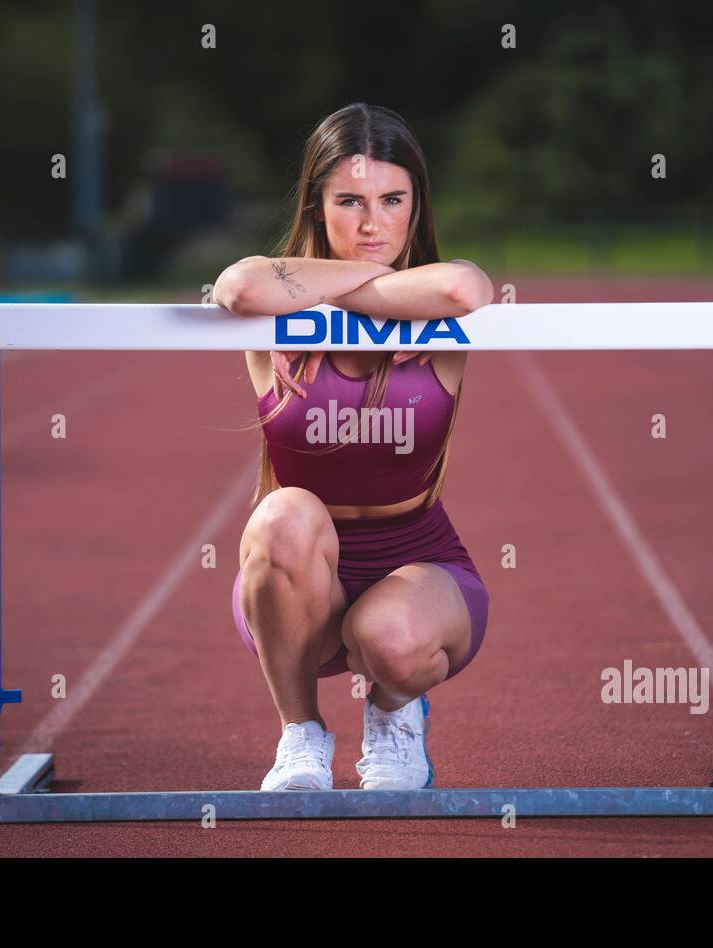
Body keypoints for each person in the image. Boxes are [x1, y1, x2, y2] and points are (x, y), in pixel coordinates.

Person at [212, 102, 493, 792]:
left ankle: (395, 711)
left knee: (390, 639)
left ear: (415, 206)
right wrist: (371, 284)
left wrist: (339, 283)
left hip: (421, 566)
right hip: (296, 579)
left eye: (393, 200)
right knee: (282, 513)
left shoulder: (441, 305)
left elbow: (464, 285)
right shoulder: (274, 320)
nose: (373, 224)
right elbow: (239, 286)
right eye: (350, 202)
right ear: (317, 205)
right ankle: (301, 735)